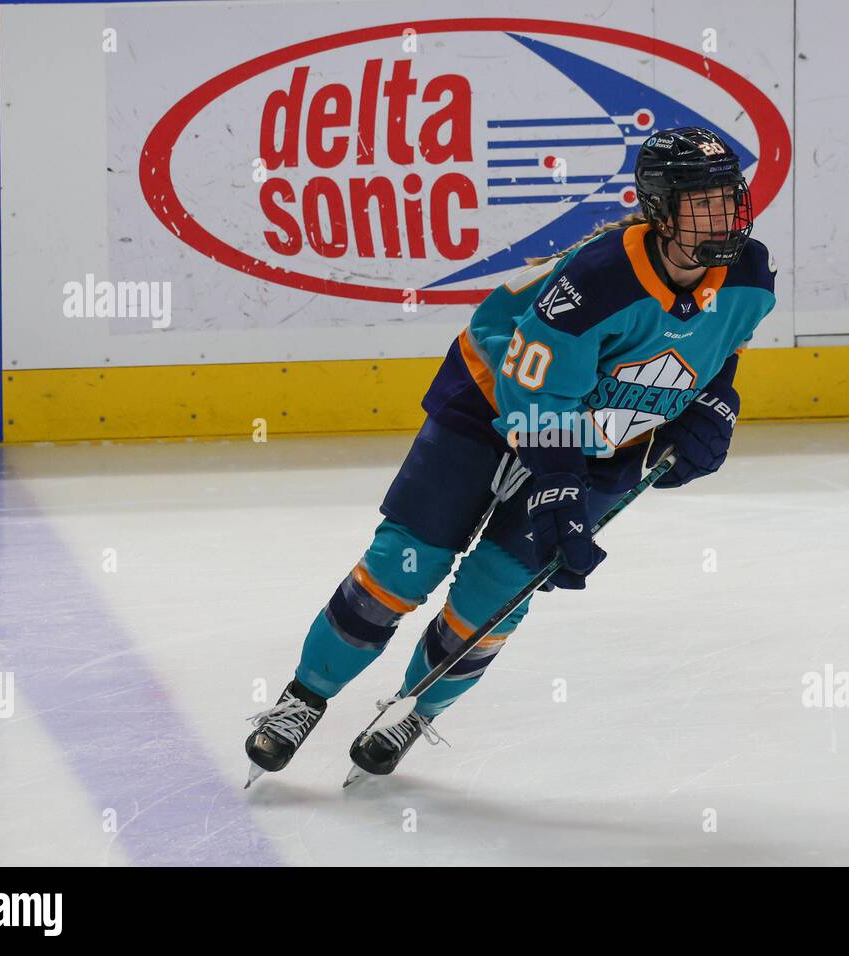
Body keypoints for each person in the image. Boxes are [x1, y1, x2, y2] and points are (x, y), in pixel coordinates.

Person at [245, 126, 777, 784]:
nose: (723, 215)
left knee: (498, 593)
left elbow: (720, 351)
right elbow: (539, 391)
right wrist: (558, 486)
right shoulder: (601, 279)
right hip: (491, 399)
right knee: (406, 562)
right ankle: (303, 698)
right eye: (702, 202)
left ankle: (414, 707)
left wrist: (714, 407)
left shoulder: (750, 275)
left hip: (598, 431)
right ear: (661, 211)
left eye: (729, 197)